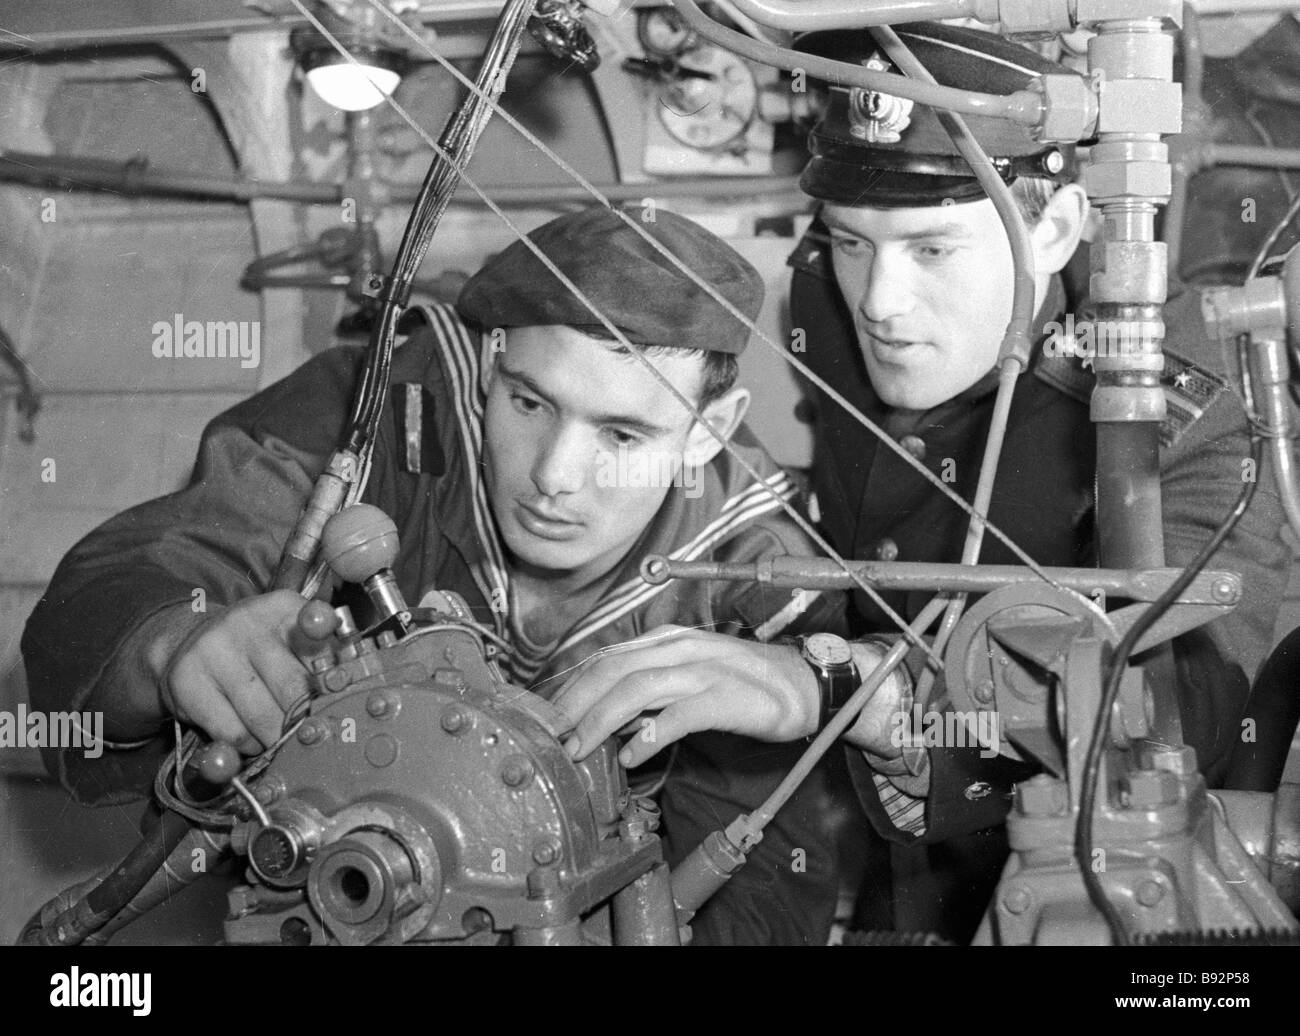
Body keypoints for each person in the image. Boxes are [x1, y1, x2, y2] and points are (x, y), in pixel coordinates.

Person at [554, 23, 1291, 941]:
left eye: (933, 250)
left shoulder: (1169, 403)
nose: (881, 302)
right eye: (852, 241)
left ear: (1055, 228)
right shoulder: (823, 295)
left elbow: (1180, 719)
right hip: (891, 866)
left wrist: (849, 691)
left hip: (1076, 890)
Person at [22, 206, 847, 945]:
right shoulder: (377, 412)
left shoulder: (750, 572)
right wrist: (173, 643)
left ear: (711, 432)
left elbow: (769, 888)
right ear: (491, 363)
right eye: (529, 403)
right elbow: (128, 577)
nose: (556, 474)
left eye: (623, 437)